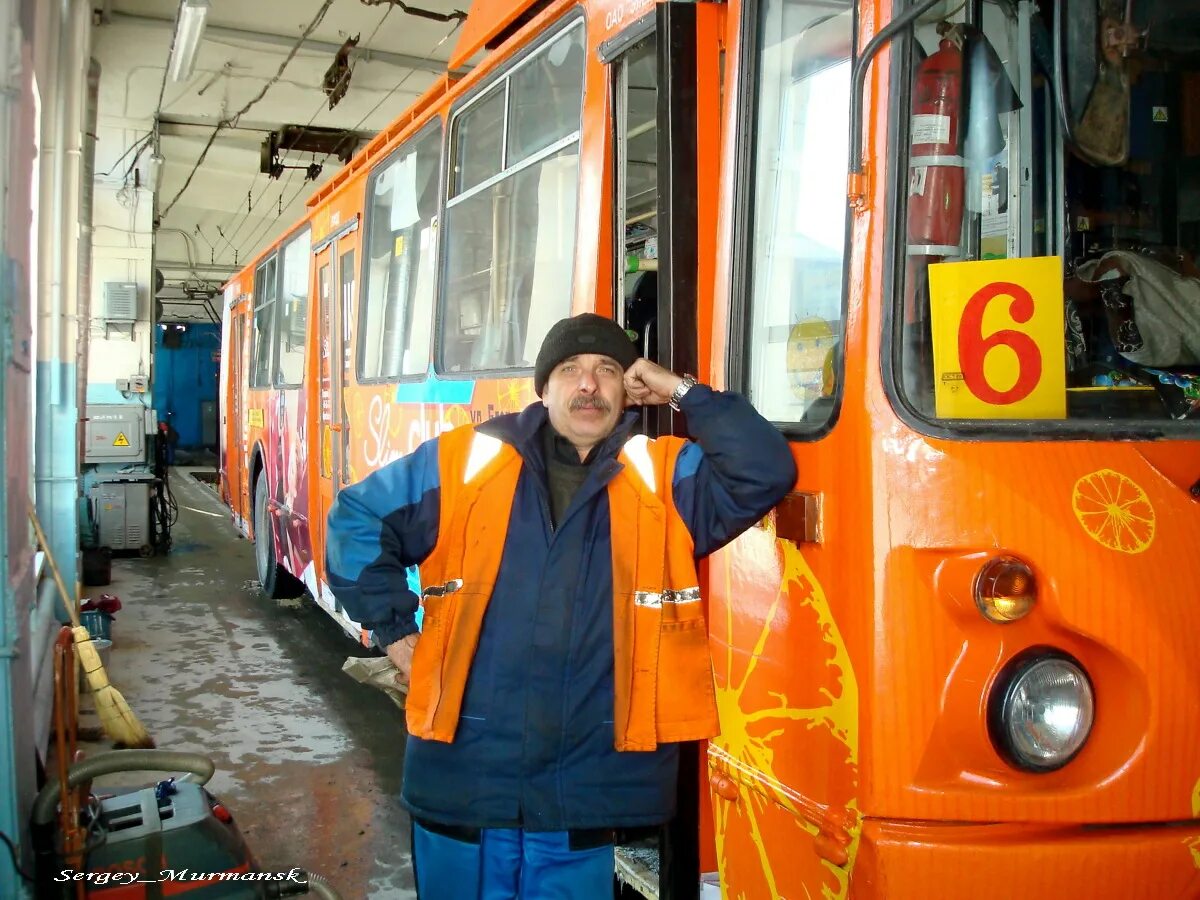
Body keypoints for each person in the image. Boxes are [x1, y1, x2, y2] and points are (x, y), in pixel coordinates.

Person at [325, 313, 796, 899]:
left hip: (586, 786)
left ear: (629, 389)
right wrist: (398, 635)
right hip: (465, 773)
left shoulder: (667, 477)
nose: (588, 385)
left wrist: (680, 390)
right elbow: (356, 518)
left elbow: (764, 469)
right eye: (569, 370)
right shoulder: (465, 461)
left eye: (607, 370)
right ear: (543, 388)